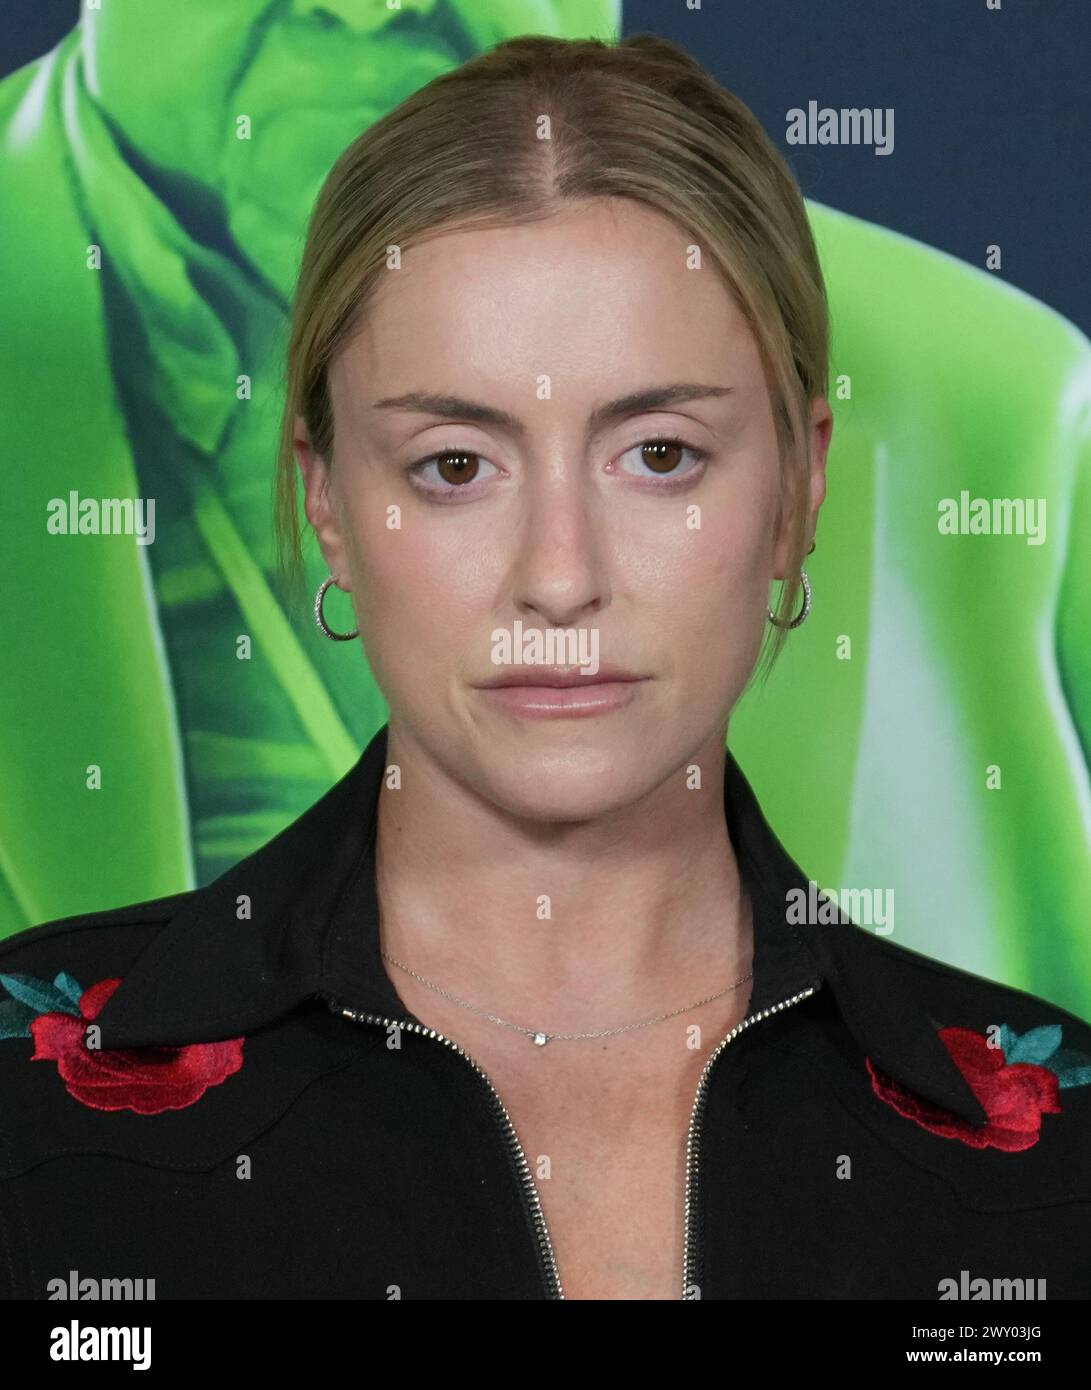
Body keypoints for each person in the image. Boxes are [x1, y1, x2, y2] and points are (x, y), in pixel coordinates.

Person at [1, 32, 1089, 1302]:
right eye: (455, 465)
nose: (559, 576)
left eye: (661, 455)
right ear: (331, 504)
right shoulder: (22, 1113)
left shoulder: (1057, 1155)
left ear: (798, 490)